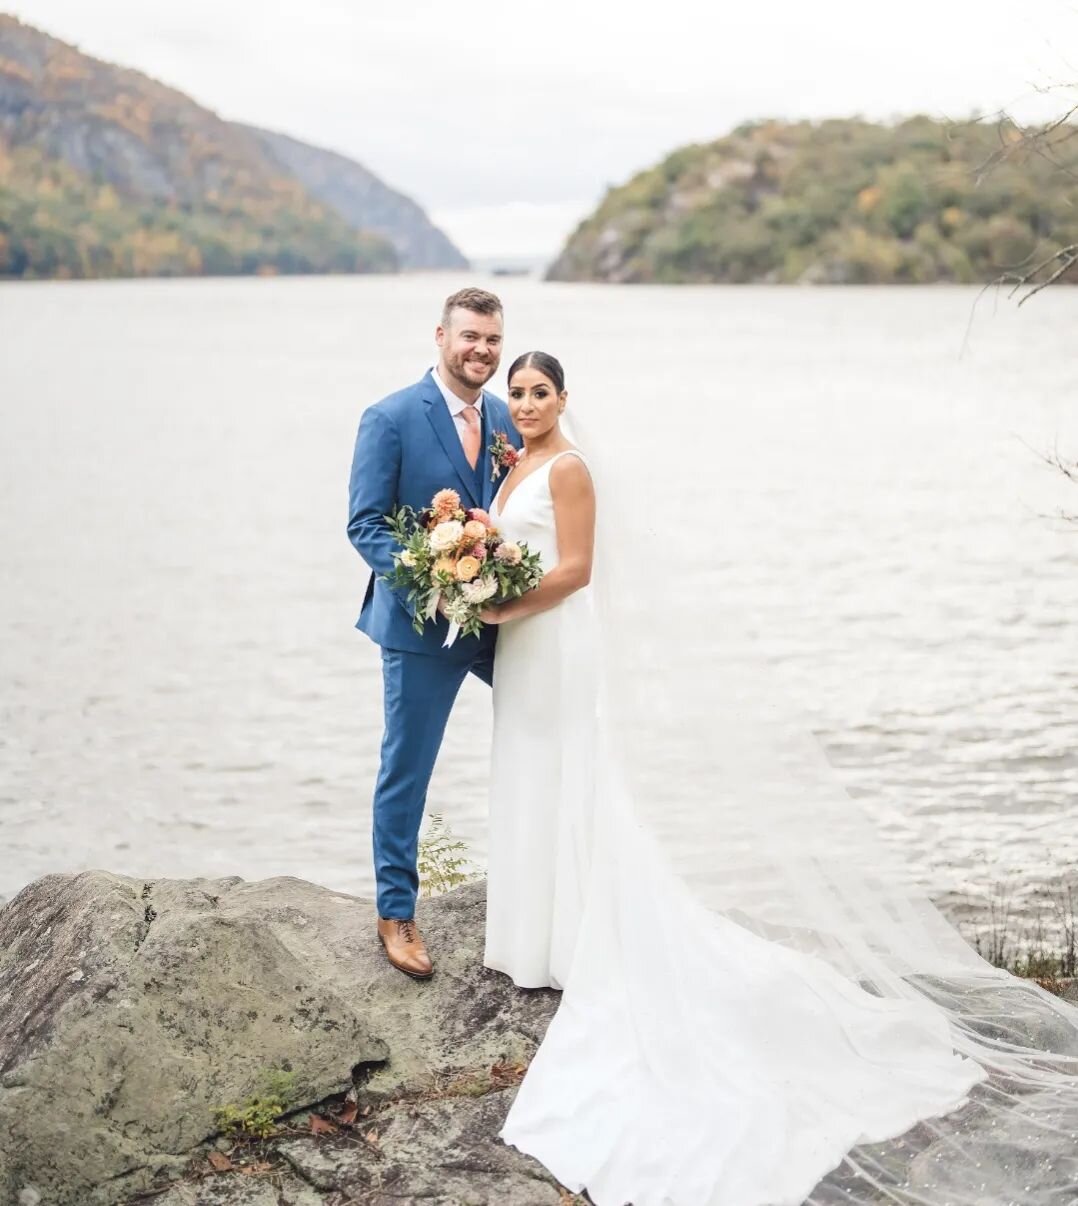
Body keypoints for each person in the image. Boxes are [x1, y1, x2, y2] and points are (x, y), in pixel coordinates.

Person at [471, 350, 1078, 1206]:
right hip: (525, 652)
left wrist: (498, 603)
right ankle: (529, 933)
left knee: (572, 778)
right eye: (517, 393)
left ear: (564, 398)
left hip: (556, 643)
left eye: (539, 392)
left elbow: (575, 572)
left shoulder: (569, 467)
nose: (527, 403)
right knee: (528, 774)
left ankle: (575, 933)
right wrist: (479, 580)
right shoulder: (515, 463)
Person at [346, 287, 521, 979]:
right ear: (441, 337)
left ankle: (555, 883)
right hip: (423, 626)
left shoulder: (510, 416)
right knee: (407, 769)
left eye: (492, 340)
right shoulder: (390, 417)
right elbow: (364, 525)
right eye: (470, 336)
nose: (481, 349)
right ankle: (396, 912)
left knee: (557, 719)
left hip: (499, 619)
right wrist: (435, 581)